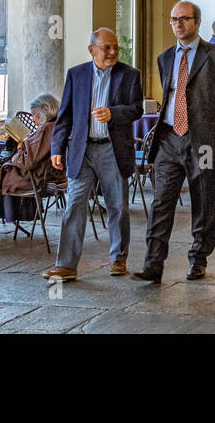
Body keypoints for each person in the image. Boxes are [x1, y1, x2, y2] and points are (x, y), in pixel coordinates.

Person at [133, 1, 215, 284]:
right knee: (161, 201)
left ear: (197, 22)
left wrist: (206, 121)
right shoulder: (165, 58)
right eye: (173, 19)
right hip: (168, 138)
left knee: (204, 198)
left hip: (202, 141)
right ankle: (153, 264)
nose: (178, 24)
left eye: (184, 19)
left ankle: (198, 258)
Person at [42, 28, 144, 282]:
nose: (112, 53)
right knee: (75, 204)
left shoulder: (129, 75)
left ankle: (118, 258)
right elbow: (64, 117)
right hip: (82, 149)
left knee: (117, 205)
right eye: (106, 48)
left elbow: (137, 109)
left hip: (112, 148)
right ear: (91, 50)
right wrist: (57, 148)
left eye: (115, 48)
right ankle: (66, 265)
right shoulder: (76, 75)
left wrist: (114, 113)